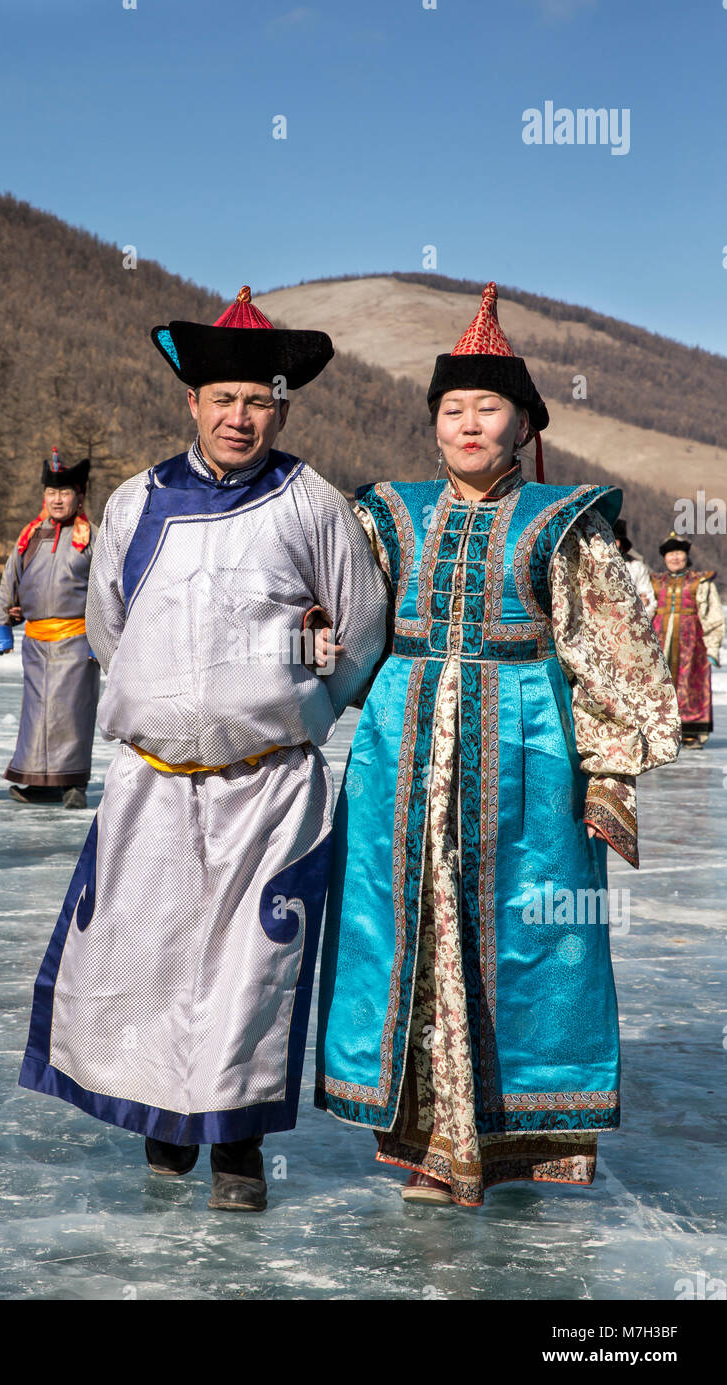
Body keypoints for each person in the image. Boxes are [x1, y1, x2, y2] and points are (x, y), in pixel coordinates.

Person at [18, 286, 388, 1212]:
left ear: (281, 406)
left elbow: (362, 629)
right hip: (153, 780)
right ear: (191, 402)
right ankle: (161, 1128)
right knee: (149, 959)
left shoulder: (313, 504)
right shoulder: (137, 502)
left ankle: (236, 1150)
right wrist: (169, 707)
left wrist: (291, 712)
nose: (238, 416)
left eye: (257, 399)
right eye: (222, 398)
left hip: (267, 786)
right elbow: (109, 627)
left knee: (248, 972)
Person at [315, 283, 681, 1207]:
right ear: (433, 424)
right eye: (452, 409)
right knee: (406, 934)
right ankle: (427, 1142)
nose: (468, 424)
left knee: (525, 939)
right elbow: (340, 618)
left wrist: (608, 768)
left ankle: (506, 1143)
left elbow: (609, 647)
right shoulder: (384, 514)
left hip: (524, 761)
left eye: (487, 407)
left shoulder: (564, 524)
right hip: (398, 761)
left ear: (523, 424)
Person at [0, 449, 100, 809]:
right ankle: (35, 780)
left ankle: (72, 782)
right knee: (36, 713)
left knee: (72, 713)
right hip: (36, 641)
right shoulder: (29, 536)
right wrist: (2, 623)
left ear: (78, 496)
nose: (56, 499)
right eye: (51, 493)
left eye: (64, 492)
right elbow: (11, 580)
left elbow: (110, 589)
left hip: (78, 641)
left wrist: (104, 637)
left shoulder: (92, 537)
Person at [651, 533, 724, 748]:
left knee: (690, 685)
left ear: (686, 556)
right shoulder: (654, 582)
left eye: (679, 553)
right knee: (660, 684)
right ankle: (660, 730)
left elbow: (713, 616)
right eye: (670, 554)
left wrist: (712, 647)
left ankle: (691, 733)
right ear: (664, 558)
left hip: (693, 645)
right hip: (660, 641)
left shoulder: (700, 582)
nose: (675, 558)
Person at [613, 518, 656, 620]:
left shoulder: (637, 567)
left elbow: (648, 601)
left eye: (614, 539)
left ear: (621, 543)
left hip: (630, 622)